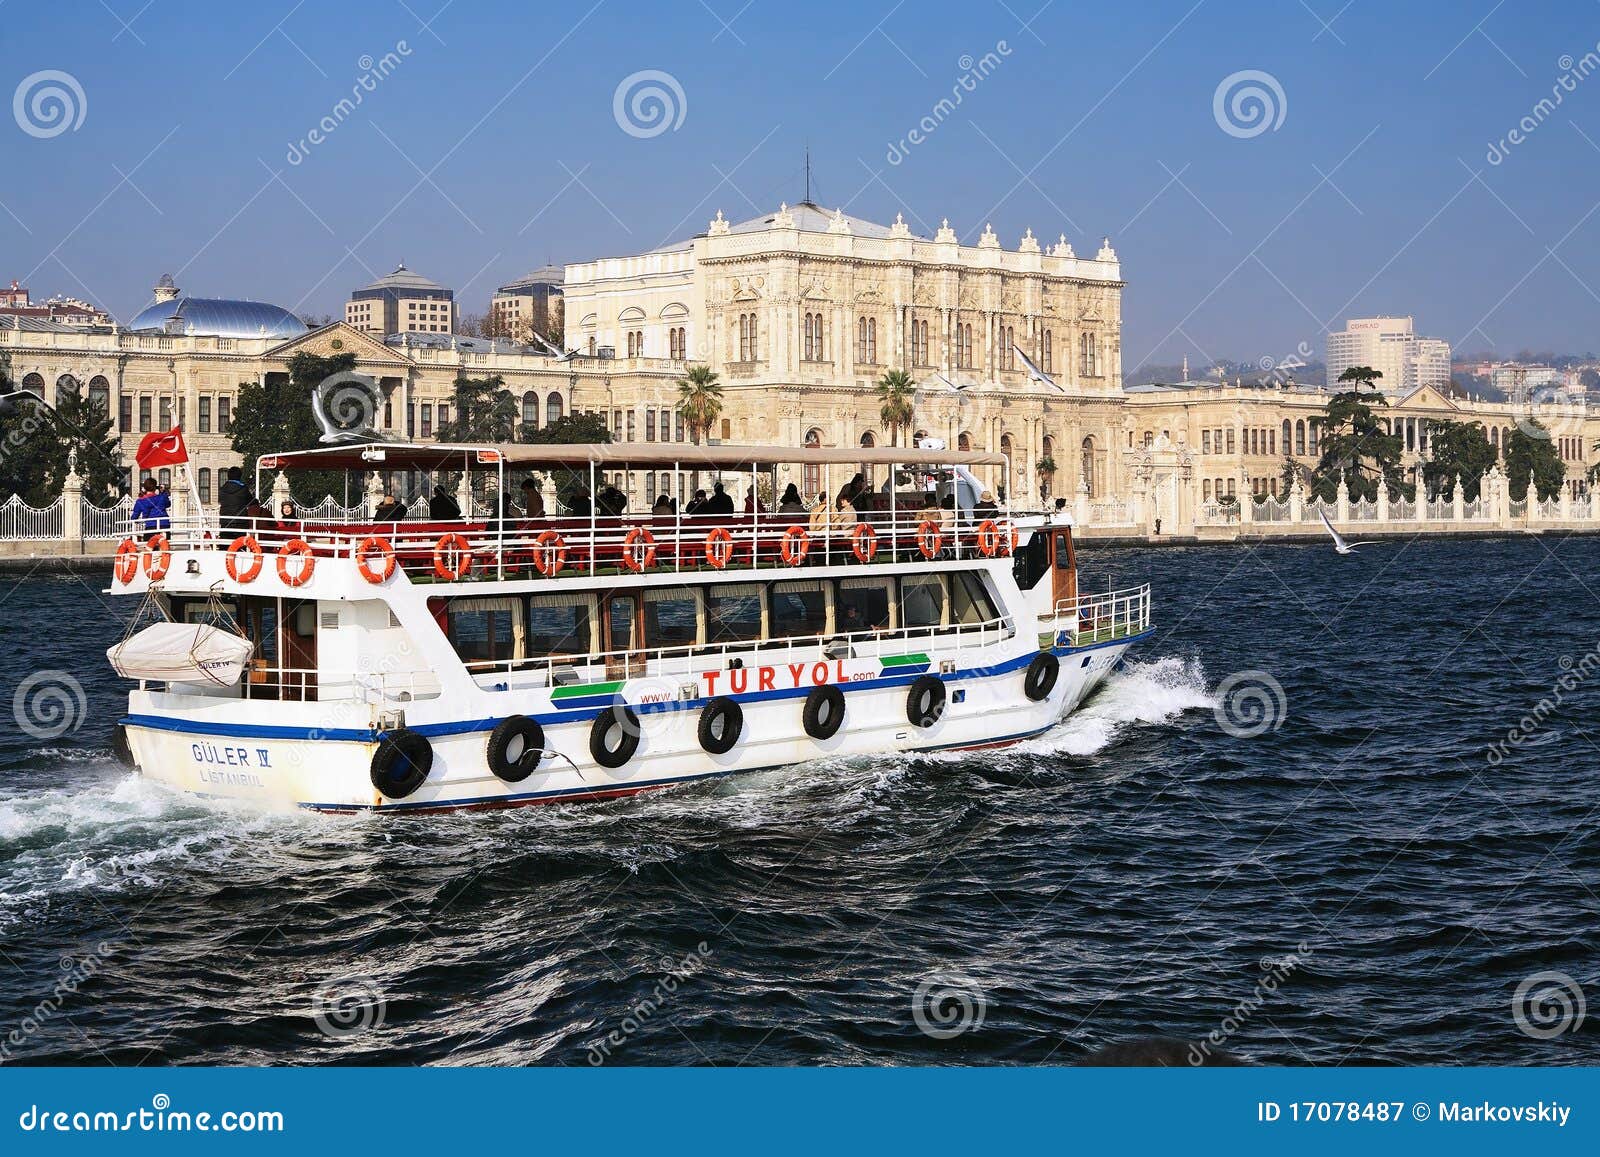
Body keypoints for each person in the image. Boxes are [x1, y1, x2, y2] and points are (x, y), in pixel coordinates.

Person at [217, 466, 255, 532]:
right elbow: (251, 502)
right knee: (241, 541)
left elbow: (220, 501)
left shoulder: (222, 489)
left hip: (225, 523)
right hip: (241, 523)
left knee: (225, 541)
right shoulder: (243, 489)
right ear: (240, 476)